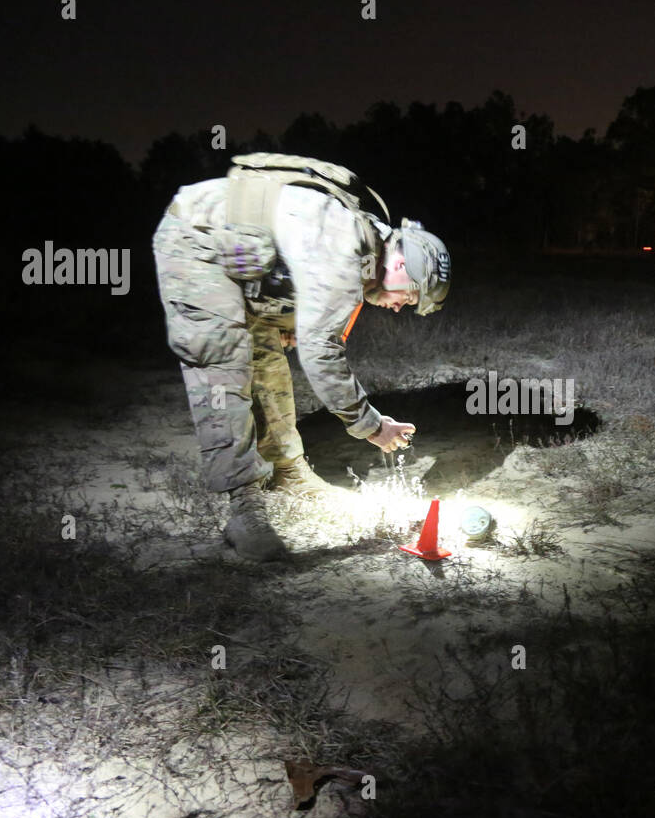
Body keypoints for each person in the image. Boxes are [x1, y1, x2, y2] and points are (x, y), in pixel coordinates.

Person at [152, 155, 451, 561]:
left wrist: (289, 314)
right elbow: (322, 352)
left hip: (237, 257)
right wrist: (371, 426)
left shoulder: (361, 242)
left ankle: (287, 470)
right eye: (410, 296)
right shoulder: (346, 248)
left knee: (267, 361)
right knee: (223, 362)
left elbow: (292, 266)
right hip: (195, 240)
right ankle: (244, 507)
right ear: (399, 263)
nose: (400, 306)